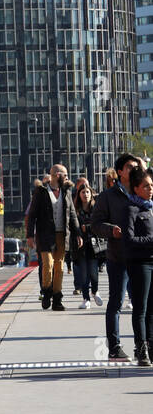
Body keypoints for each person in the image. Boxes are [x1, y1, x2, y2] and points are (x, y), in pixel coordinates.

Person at [95, 153, 140, 360]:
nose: (134, 169)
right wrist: (110, 229)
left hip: (142, 256)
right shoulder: (107, 197)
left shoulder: (144, 192)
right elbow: (96, 225)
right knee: (116, 302)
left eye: (137, 166)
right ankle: (114, 348)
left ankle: (144, 346)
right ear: (120, 172)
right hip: (119, 257)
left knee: (144, 305)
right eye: (130, 167)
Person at [25, 163, 79, 311]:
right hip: (44, 235)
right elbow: (32, 215)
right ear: (57, 175)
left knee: (59, 267)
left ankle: (57, 299)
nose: (67, 178)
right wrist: (29, 235)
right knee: (47, 264)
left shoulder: (66, 191)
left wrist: (78, 233)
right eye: (65, 175)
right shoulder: (41, 192)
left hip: (62, 234)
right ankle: (47, 293)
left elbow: (72, 214)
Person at [122, 166, 153, 366]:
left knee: (151, 309)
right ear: (136, 188)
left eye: (152, 185)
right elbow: (129, 239)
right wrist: (151, 240)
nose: (150, 189)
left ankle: (151, 346)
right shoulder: (131, 209)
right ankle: (141, 349)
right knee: (140, 308)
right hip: (140, 263)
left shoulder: (151, 208)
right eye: (146, 186)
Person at [73, 182, 104, 308]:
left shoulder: (96, 208)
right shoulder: (76, 210)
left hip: (94, 245)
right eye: (82, 192)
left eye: (87, 192)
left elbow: (100, 223)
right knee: (84, 274)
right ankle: (86, 299)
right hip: (81, 246)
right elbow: (72, 225)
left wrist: (88, 227)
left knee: (94, 273)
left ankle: (95, 291)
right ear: (79, 195)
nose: (85, 194)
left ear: (91, 194)